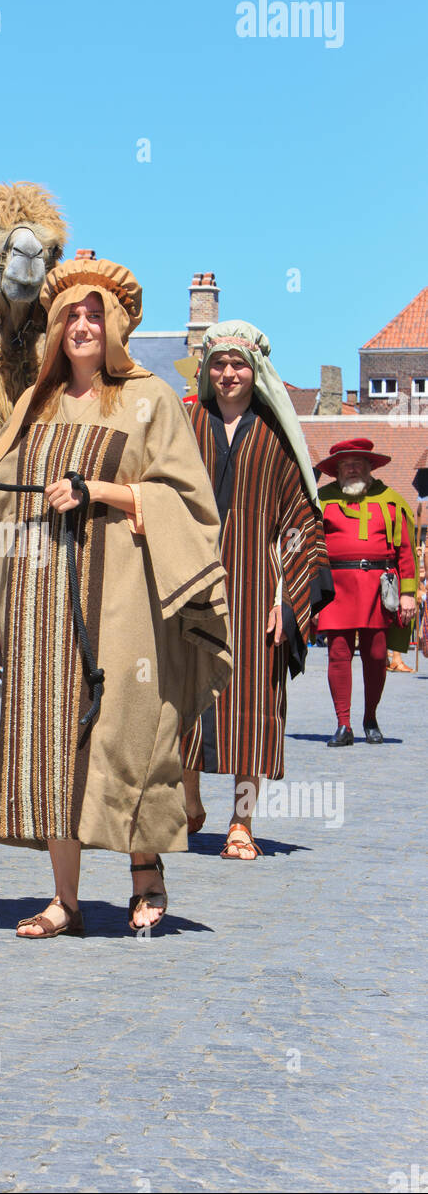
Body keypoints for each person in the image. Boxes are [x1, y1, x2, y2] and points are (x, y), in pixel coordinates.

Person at [0, 258, 231, 935]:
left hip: (124, 599)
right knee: (53, 739)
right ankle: (66, 900)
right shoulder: (38, 402)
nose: (81, 326)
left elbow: (191, 505)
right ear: (55, 329)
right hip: (42, 600)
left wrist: (103, 492)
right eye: (70, 317)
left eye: (94, 314)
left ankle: (146, 876)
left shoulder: (151, 400)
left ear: (116, 323)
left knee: (125, 729)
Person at [182, 320, 334, 859]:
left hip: (256, 589)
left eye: (238, 364)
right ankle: (190, 802)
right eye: (218, 364)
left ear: (256, 371)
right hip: (189, 582)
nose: (227, 374)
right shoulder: (185, 423)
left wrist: (287, 599)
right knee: (183, 697)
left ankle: (241, 822)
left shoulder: (275, 436)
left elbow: (300, 520)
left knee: (252, 703)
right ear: (206, 369)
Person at [313, 439, 417, 744]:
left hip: (378, 586)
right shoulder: (320, 501)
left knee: (375, 655)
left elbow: (407, 550)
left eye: (359, 463)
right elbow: (305, 546)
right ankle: (343, 724)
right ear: (336, 471)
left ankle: (370, 716)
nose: (353, 469)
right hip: (336, 587)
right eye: (347, 464)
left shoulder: (392, 500)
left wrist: (408, 593)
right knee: (338, 653)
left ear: (370, 468)